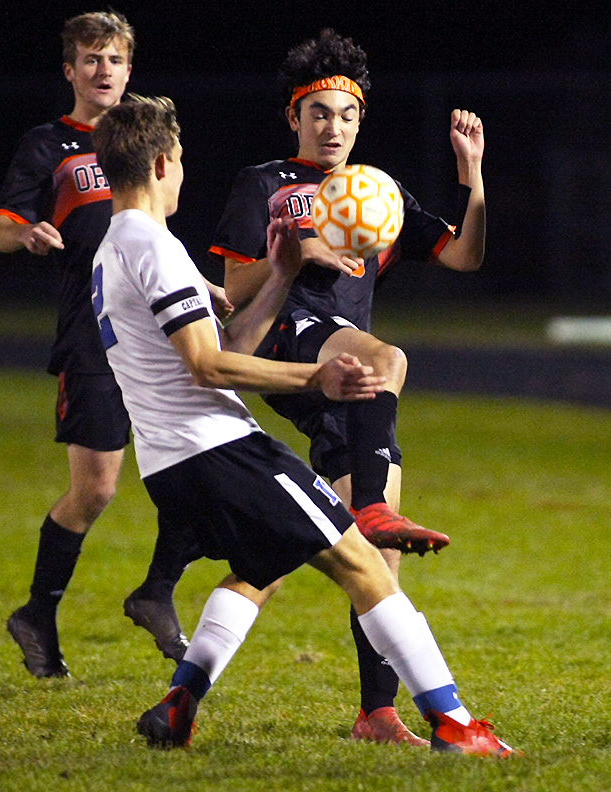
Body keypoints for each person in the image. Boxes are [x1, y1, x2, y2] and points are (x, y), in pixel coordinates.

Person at [89, 92, 517, 757]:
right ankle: (454, 725)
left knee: (267, 567)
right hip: (222, 450)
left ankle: (178, 704)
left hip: (167, 462)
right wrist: (314, 378)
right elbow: (209, 367)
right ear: (163, 162)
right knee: (366, 565)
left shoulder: (112, 248)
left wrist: (281, 274)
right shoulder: (156, 247)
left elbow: (230, 343)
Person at [207, 29, 485, 744]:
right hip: (288, 340)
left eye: (347, 115)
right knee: (385, 358)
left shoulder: (376, 193)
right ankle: (372, 507)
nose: (333, 127)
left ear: (361, 122)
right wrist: (295, 256)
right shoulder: (266, 183)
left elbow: (462, 255)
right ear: (294, 117)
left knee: (367, 560)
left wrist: (473, 179)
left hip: (346, 388)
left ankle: (375, 714)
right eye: (319, 113)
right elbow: (233, 286)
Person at [0, 10, 222, 677]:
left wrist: (198, 284)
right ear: (70, 70)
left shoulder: (140, 135)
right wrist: (24, 232)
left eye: (114, 59)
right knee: (95, 490)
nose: (103, 70)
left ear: (129, 68)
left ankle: (156, 590)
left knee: (201, 460)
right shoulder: (48, 146)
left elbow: (153, 228)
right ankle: (37, 612)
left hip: (157, 332)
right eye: (91, 59)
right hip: (93, 336)